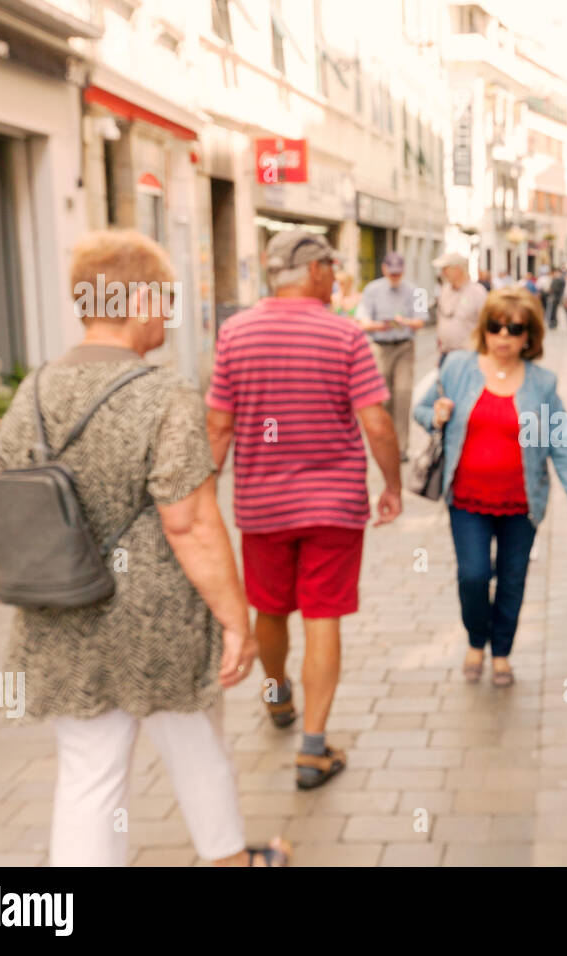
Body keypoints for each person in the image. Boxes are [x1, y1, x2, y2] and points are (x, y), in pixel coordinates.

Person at [0, 229, 288, 866]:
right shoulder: (163, 393)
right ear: (141, 300)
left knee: (88, 773)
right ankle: (230, 857)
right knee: (196, 740)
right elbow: (191, 522)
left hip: (61, 609)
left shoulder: (32, 392)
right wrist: (237, 620)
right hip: (157, 619)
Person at [206, 230, 402, 790]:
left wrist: (200, 498)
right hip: (334, 508)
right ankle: (313, 749)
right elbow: (377, 422)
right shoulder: (345, 334)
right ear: (314, 270)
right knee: (322, 617)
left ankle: (277, 700)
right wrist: (391, 485)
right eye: (331, 266)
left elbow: (218, 425)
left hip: (261, 505)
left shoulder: (234, 333)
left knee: (268, 608)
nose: (336, 275)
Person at [413, 288, 567, 686]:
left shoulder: (542, 383)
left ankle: (501, 653)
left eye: (515, 328)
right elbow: (422, 409)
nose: (504, 336)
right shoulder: (457, 367)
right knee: (474, 575)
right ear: (484, 329)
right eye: (496, 326)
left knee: (512, 580)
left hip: (521, 503)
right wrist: (436, 415)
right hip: (467, 499)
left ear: (528, 336)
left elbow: (561, 443)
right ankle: (477, 639)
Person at [356, 251, 425, 459]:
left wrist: (405, 322)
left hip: (404, 345)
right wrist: (379, 325)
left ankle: (402, 446)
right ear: (384, 269)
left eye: (398, 273)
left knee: (403, 394)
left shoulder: (417, 291)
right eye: (391, 272)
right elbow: (363, 321)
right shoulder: (371, 290)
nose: (395, 276)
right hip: (380, 346)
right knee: (381, 397)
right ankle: (382, 441)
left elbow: (421, 321)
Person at [433, 250, 487, 363]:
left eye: (445, 269)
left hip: (468, 355)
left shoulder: (477, 292)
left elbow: (485, 324)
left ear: (457, 269)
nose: (443, 273)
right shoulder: (445, 291)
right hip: (445, 353)